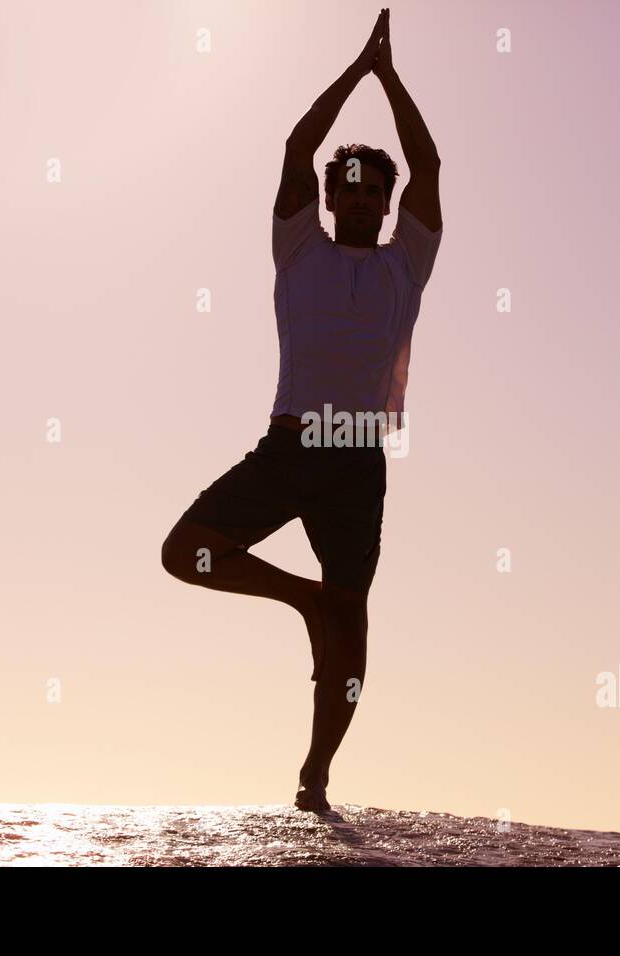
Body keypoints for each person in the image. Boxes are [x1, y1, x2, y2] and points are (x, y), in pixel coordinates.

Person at [161, 8, 442, 814]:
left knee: (352, 630)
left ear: (386, 205)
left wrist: (390, 80)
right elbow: (295, 148)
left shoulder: (407, 267)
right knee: (186, 553)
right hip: (287, 449)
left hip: (357, 461)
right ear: (328, 197)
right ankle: (301, 598)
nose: (358, 201)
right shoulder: (299, 248)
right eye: (345, 189)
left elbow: (427, 163)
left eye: (372, 193)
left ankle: (316, 776)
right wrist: (354, 71)